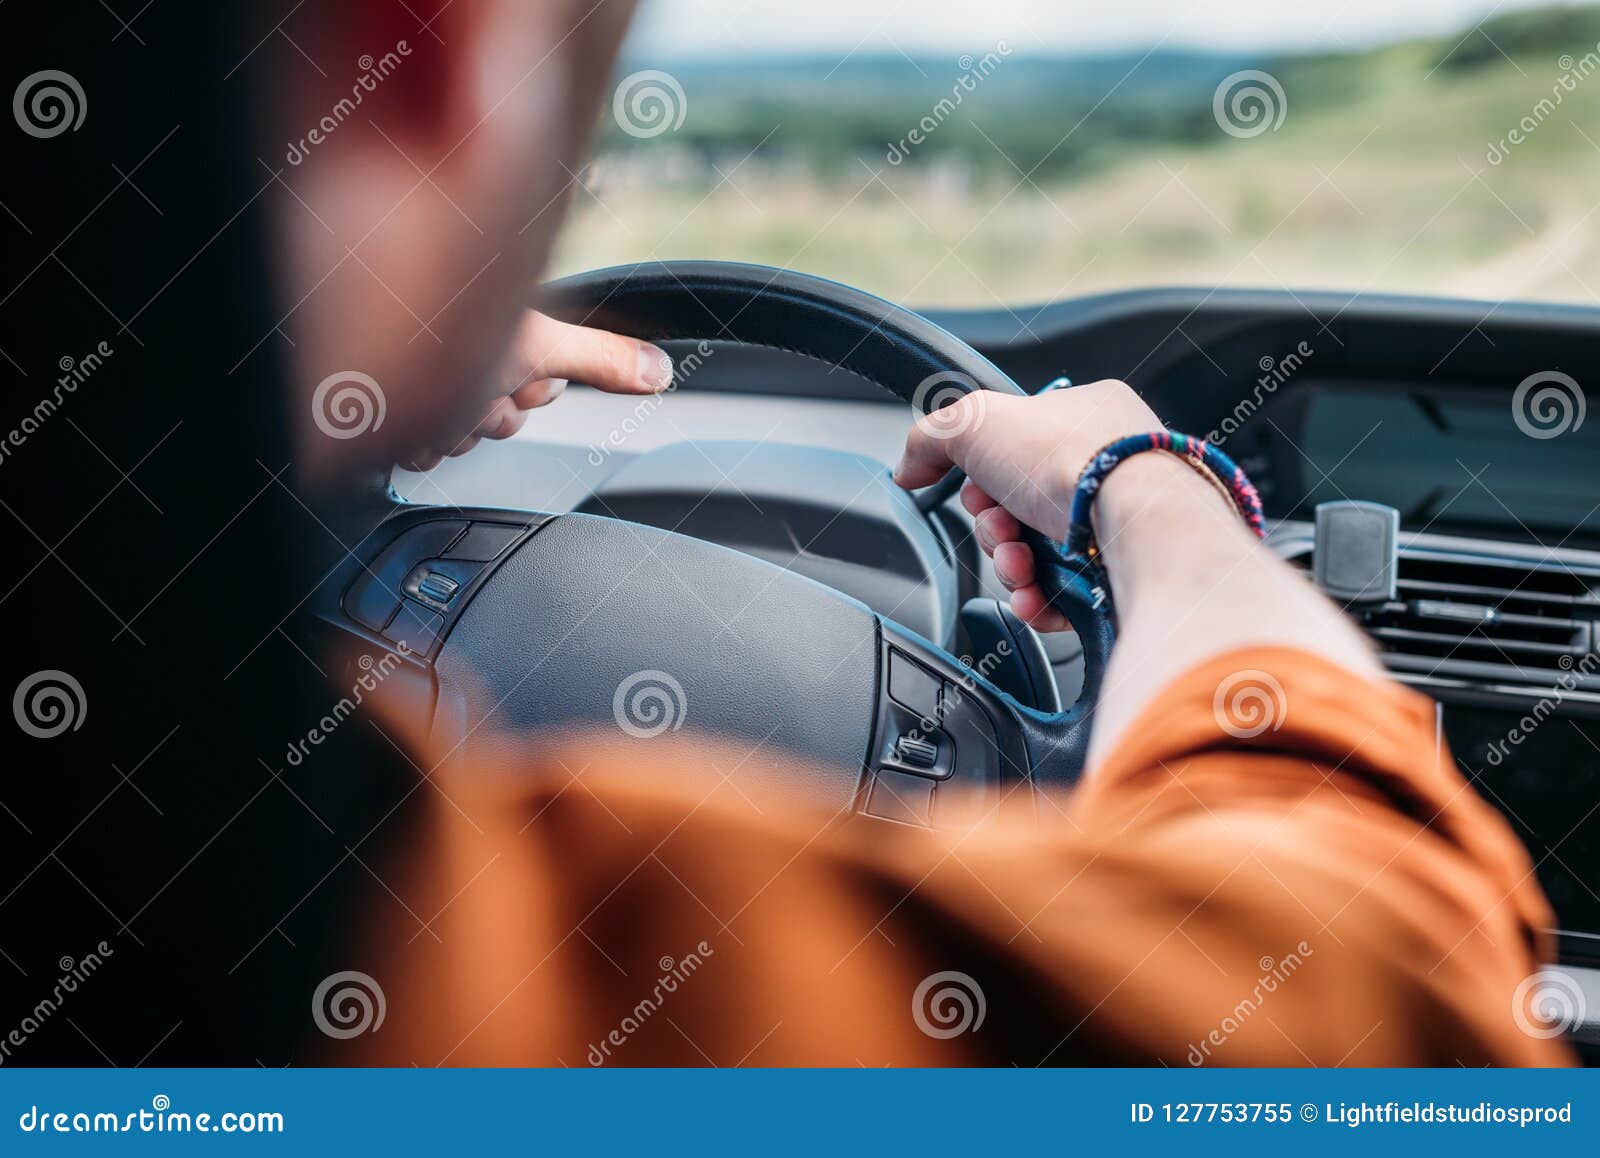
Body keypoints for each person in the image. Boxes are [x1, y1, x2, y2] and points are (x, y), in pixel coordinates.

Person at [1, 1, 1569, 1066]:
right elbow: (1405, 984)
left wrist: (315, 348)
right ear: (426, 55)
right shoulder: (528, 1000)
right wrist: (1142, 482)